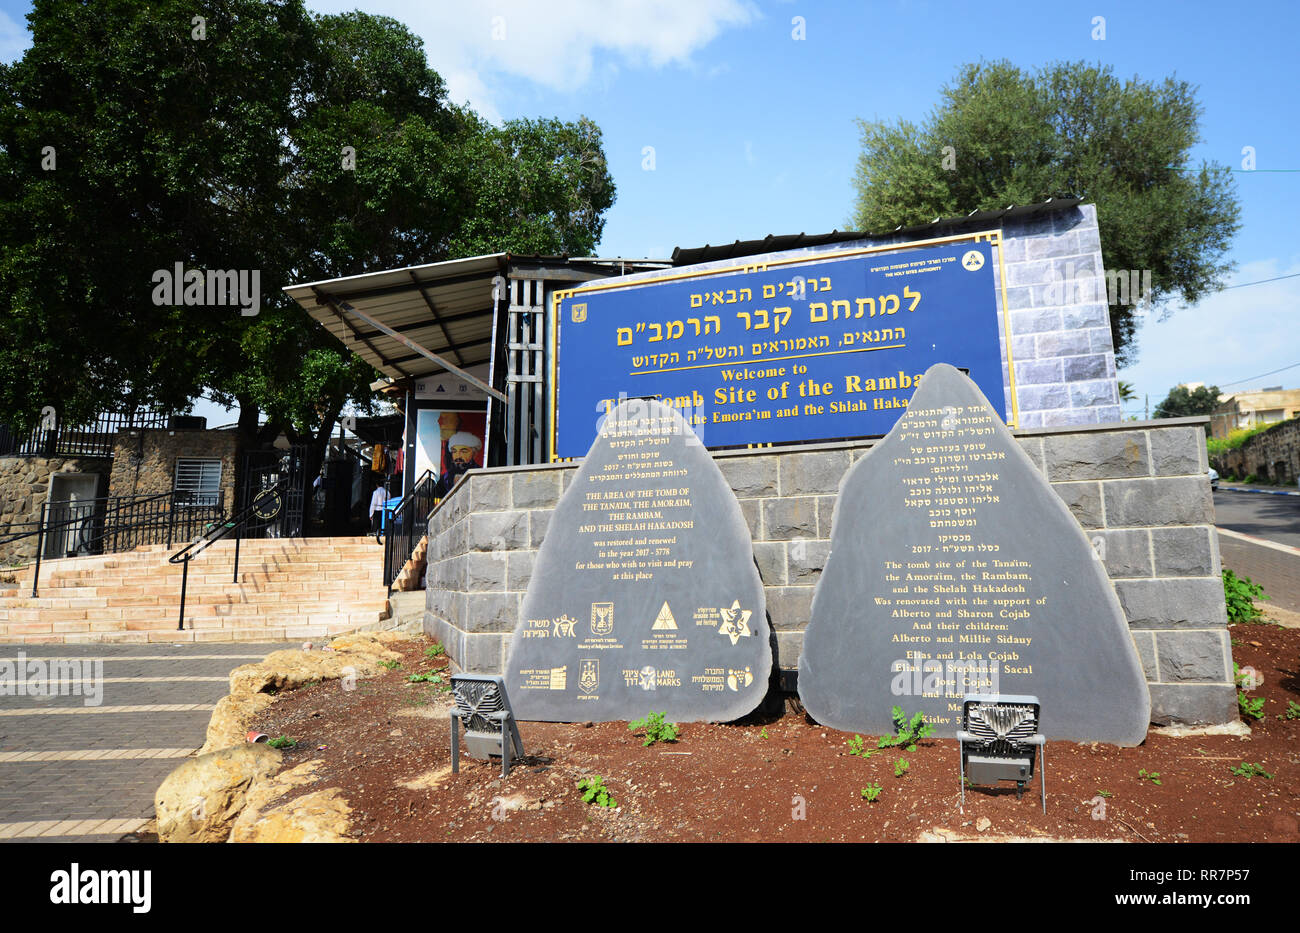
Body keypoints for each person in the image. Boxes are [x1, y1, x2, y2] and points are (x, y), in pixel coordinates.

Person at [433, 430, 482, 498]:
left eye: (464, 451)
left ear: (474, 453)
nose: (458, 456)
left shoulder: (480, 474)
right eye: (454, 451)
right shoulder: (445, 478)